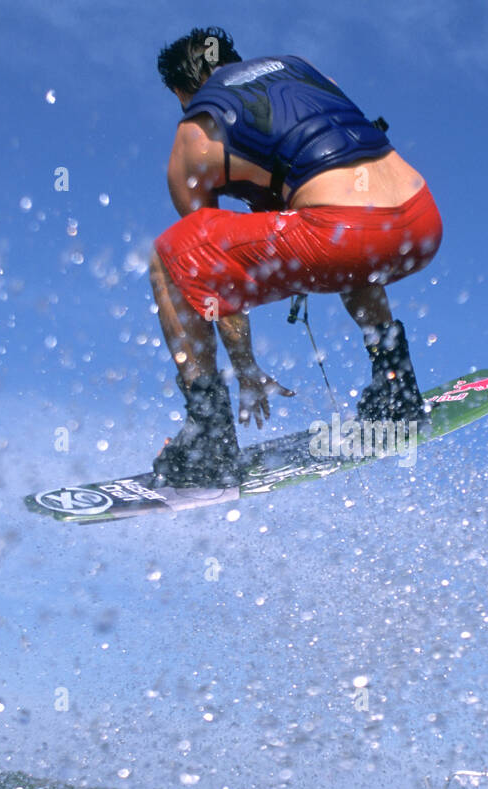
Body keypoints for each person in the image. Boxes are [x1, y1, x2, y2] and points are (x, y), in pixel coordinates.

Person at [149, 27, 443, 487]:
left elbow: (207, 276)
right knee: (344, 224)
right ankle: (395, 382)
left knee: (169, 257)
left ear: (180, 90)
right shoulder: (300, 68)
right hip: (422, 221)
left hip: (341, 236)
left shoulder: (193, 133)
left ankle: (208, 432)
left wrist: (246, 369)